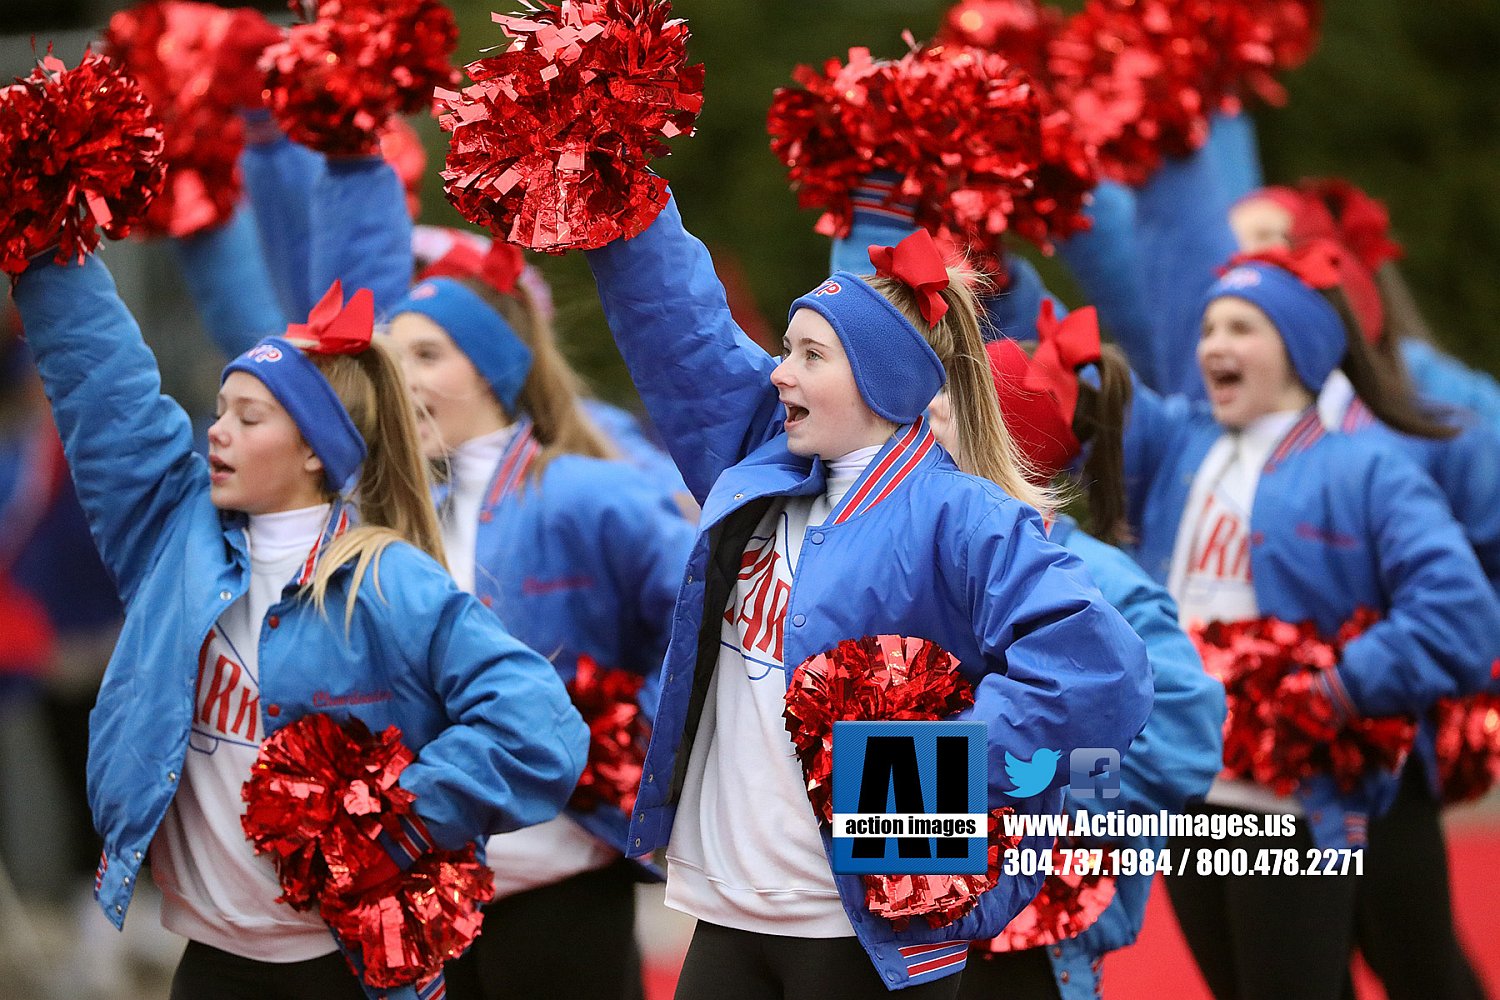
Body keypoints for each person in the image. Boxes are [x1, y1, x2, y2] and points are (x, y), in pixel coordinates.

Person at [584, 194, 1153, 998]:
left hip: (864, 932)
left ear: (884, 383)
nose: (780, 370)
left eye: (811, 354)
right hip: (729, 910)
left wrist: (920, 784)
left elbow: (1104, 674)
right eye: (787, 349)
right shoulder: (761, 461)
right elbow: (684, 336)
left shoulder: (963, 513)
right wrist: (622, 195)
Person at [13, 249, 590, 1000]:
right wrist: (48, 238)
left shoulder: (386, 579)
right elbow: (104, 386)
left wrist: (398, 822)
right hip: (211, 963)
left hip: (347, 972)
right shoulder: (172, 535)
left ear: (316, 453)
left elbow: (541, 729)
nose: (216, 431)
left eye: (248, 417)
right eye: (220, 410)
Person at [1116, 244, 1500, 1000]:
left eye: (1242, 326)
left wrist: (1335, 689)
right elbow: (1061, 387)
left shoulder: (1366, 467)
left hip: (1301, 806)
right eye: (1209, 327)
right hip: (1191, 797)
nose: (1213, 345)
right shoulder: (1182, 442)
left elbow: (1462, 614)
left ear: (1298, 346)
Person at [380, 243, 695, 1000]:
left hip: (562, 885)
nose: (404, 378)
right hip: (429, 888)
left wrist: (629, 733)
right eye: (393, 360)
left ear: (491, 366)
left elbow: (714, 611)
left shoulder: (586, 491)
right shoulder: (396, 514)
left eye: (427, 353)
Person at [926, 310, 1226, 1000]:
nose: (927, 412)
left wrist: (1051, 810)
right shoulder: (921, 553)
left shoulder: (1104, 578)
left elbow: (1185, 728)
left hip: (1034, 940)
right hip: (922, 915)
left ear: (1006, 442)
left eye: (951, 403)